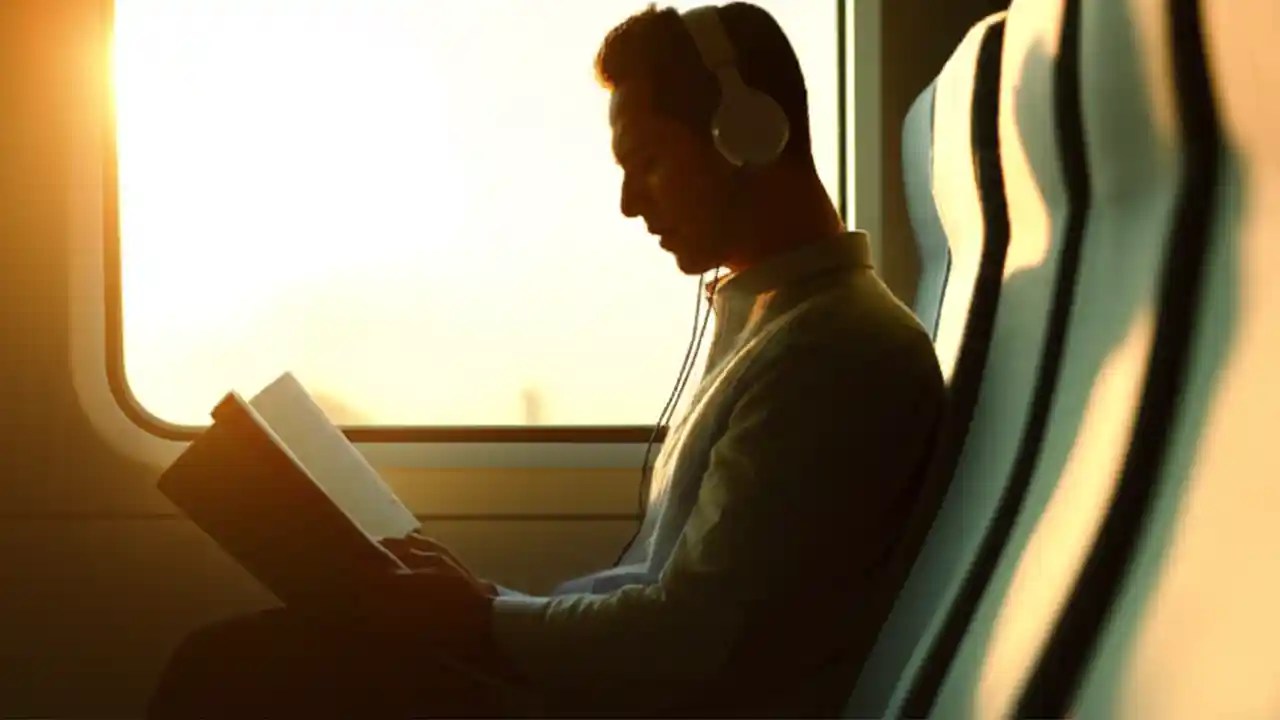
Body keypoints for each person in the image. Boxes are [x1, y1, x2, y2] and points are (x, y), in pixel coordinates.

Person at [147, 3, 946, 717]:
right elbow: (668, 599)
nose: (631, 203)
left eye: (650, 163)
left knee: (231, 671)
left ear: (746, 137)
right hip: (600, 684)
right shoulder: (773, 326)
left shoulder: (833, 355)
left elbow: (690, 642)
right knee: (249, 654)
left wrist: (480, 620)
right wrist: (485, 603)